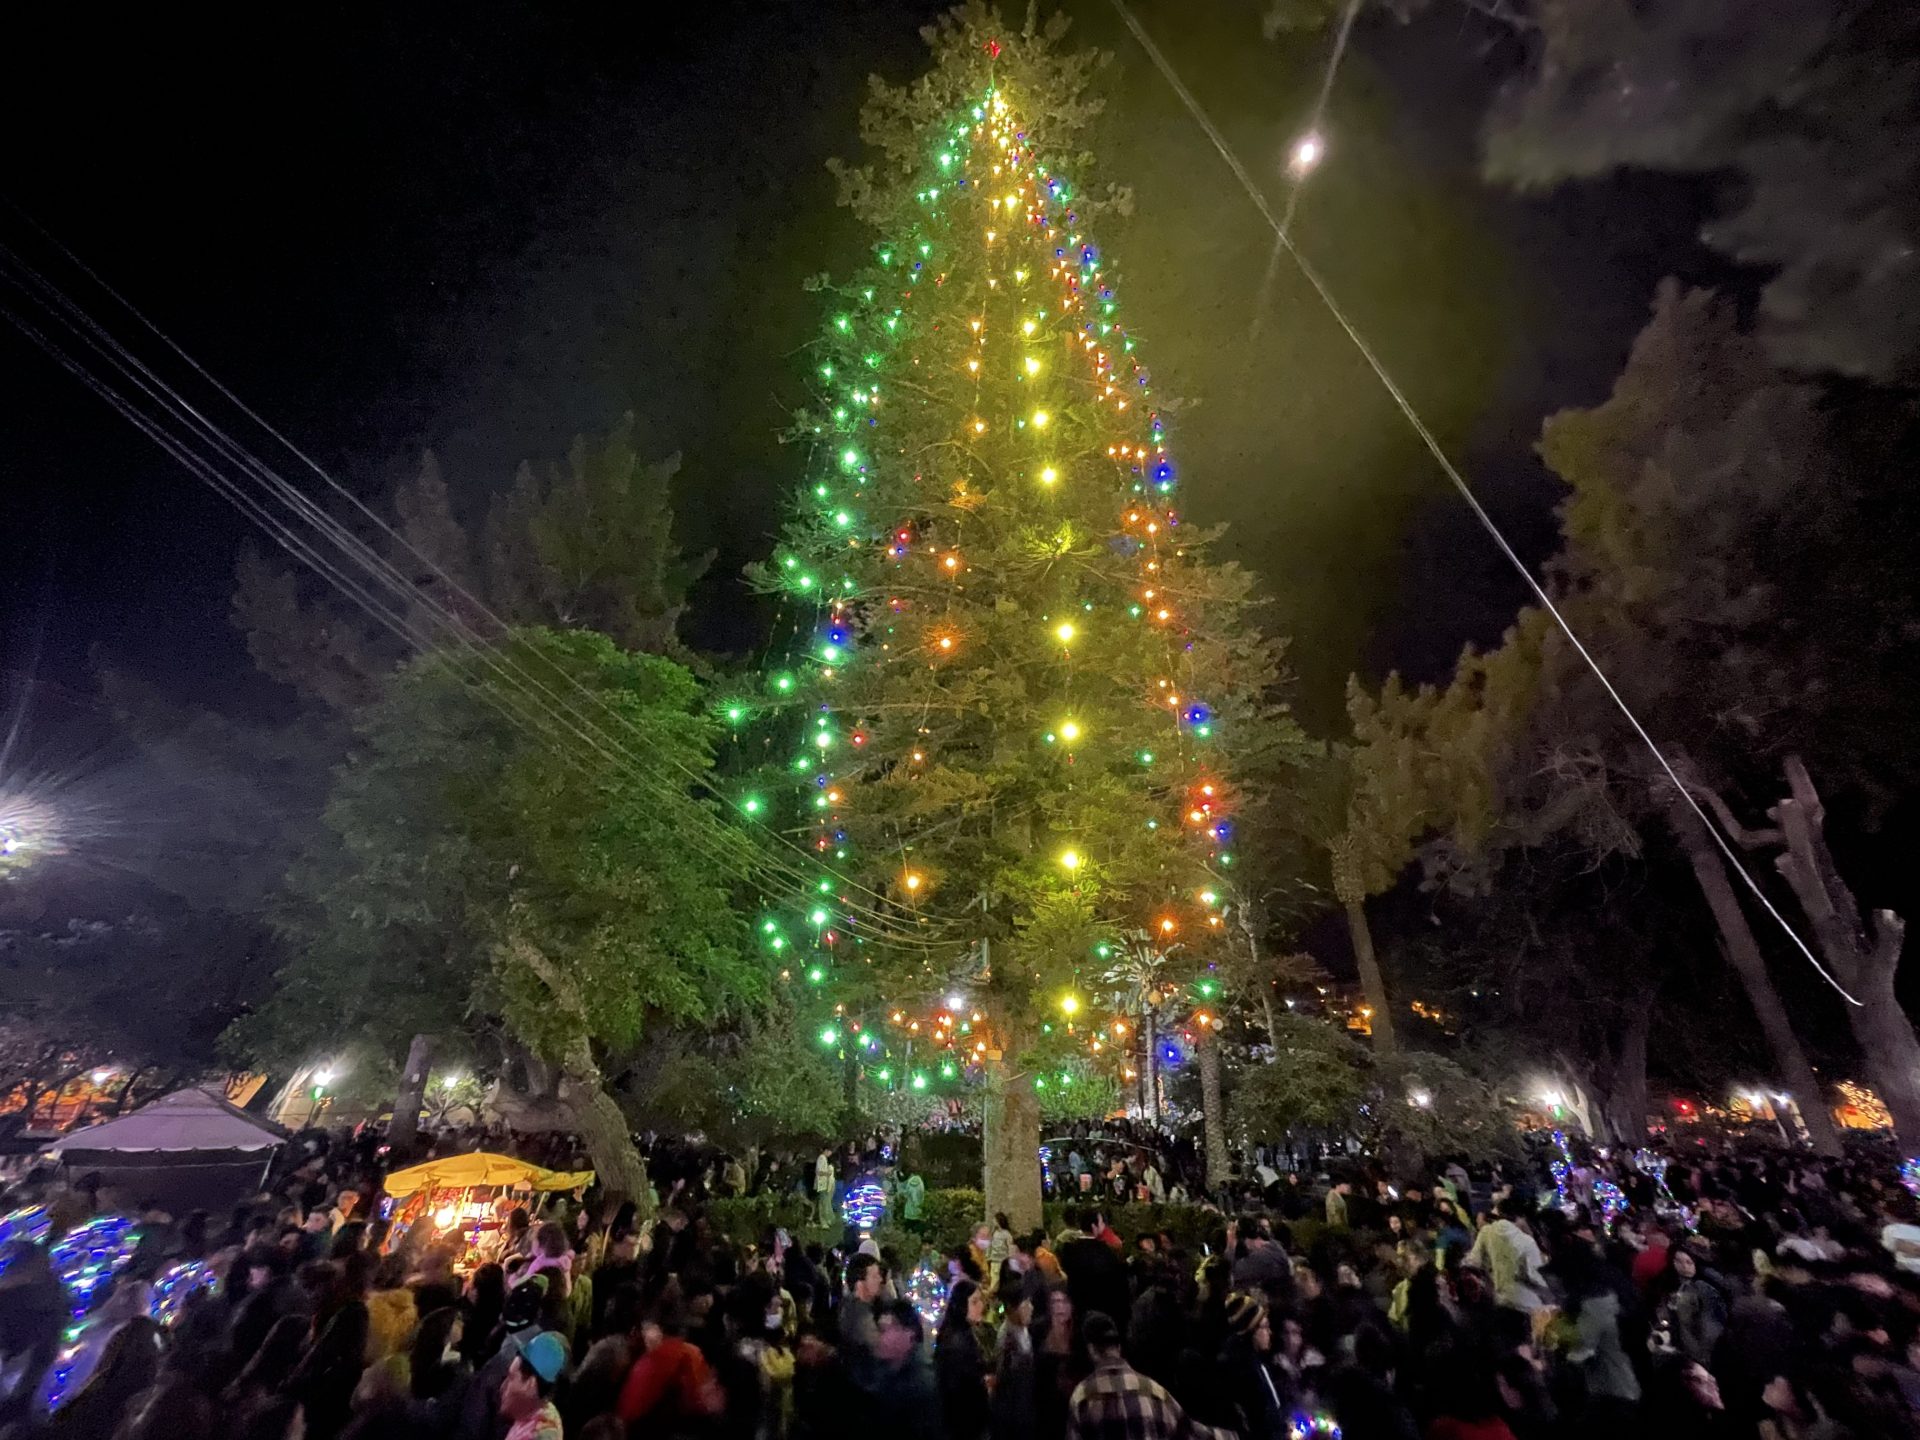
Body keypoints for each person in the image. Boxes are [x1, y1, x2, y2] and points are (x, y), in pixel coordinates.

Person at [1064, 1311, 1235, 1440]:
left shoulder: (1082, 1397)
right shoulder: (1153, 1390)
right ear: (1119, 1347)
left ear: (1091, 1350)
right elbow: (1191, 1432)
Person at [1462, 1201, 1549, 1314]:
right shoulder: (1527, 1242)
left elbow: (1473, 1261)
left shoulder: (1487, 1232)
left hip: (1501, 1301)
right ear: (1519, 1218)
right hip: (1527, 1304)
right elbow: (1536, 1278)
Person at [936, 1279, 992, 1440]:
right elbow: (962, 1389)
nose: (980, 1305)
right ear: (962, 1305)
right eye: (974, 1302)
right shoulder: (957, 1342)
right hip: (964, 1424)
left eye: (981, 1300)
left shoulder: (962, 1333)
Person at [500, 1330, 567, 1440]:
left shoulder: (538, 1435)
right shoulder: (545, 1412)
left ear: (530, 1384)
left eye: (511, 1378)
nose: (503, 1387)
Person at [815, 1148, 837, 1227]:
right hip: (822, 1184)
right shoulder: (822, 1158)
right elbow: (819, 1171)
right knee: (824, 1203)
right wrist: (827, 1173)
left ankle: (824, 1222)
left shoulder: (824, 1159)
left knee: (823, 1203)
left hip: (824, 1184)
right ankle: (828, 1219)